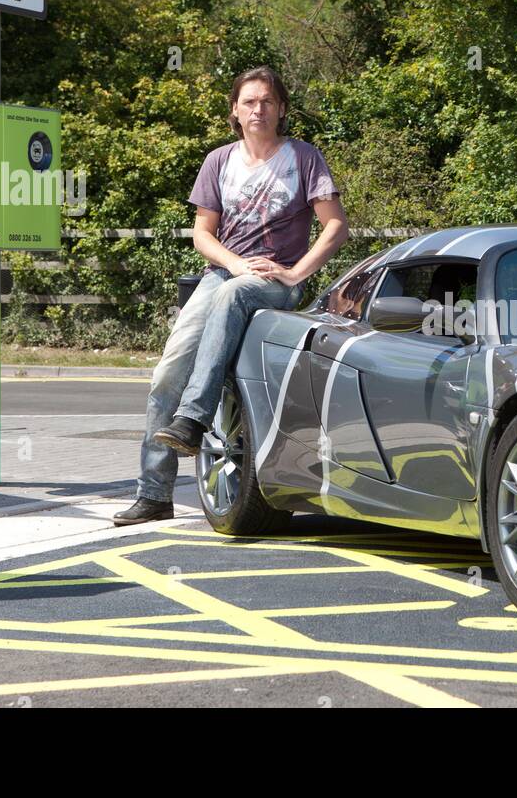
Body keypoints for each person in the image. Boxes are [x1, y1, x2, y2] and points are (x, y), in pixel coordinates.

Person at [115, 66, 349, 525]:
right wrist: (235, 263)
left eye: (267, 101)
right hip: (225, 274)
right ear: (235, 112)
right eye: (249, 102)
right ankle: (154, 492)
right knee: (166, 374)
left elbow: (335, 225)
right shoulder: (218, 161)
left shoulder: (303, 158)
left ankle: (194, 417)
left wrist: (294, 272)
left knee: (236, 294)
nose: (258, 109)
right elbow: (203, 234)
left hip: (275, 282)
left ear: (281, 109)